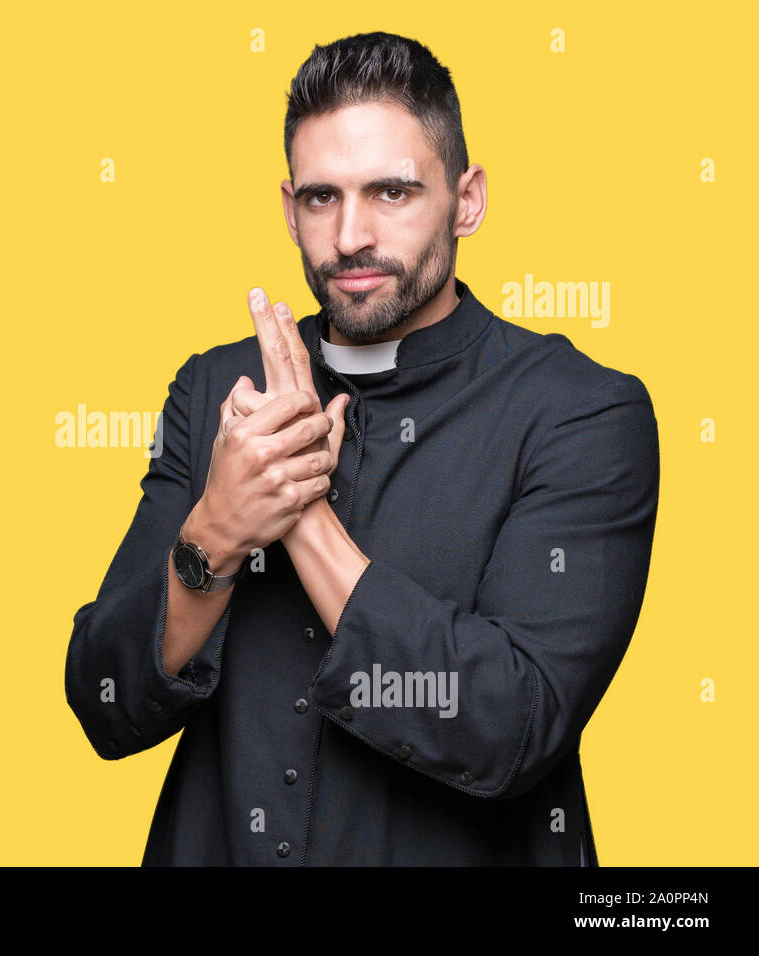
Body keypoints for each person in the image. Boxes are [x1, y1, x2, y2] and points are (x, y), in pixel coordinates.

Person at [63, 31, 659, 865]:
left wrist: (299, 511)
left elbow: (513, 725)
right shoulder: (214, 392)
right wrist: (216, 536)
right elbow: (103, 701)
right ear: (288, 206)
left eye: (391, 192)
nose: (348, 237)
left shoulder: (580, 411)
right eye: (320, 198)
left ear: (468, 199)